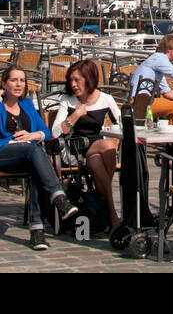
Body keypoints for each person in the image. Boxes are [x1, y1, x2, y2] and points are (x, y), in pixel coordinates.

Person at [0, 65, 78, 250]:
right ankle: (58, 197)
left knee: (36, 165)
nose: (19, 84)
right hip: (4, 155)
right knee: (35, 152)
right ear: (4, 83)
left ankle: (37, 232)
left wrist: (34, 135)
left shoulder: (26, 104)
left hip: (28, 155)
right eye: (13, 80)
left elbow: (45, 131)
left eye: (22, 80)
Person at [50, 59, 122, 234]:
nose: (73, 85)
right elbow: (55, 133)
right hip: (74, 150)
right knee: (107, 144)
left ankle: (104, 205)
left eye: (77, 80)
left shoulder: (105, 99)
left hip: (96, 152)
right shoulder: (68, 100)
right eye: (71, 80)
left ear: (89, 78)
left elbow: (122, 124)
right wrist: (75, 115)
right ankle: (112, 213)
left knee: (99, 159)